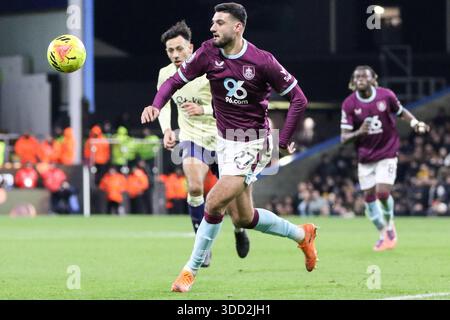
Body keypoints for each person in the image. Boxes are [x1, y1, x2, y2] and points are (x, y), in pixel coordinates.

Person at [141, 3, 318, 293]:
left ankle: (190, 270)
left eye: (220, 23)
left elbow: (299, 99)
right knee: (244, 218)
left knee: (212, 202)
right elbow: (173, 82)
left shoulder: (263, 61)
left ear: (238, 27)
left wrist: (283, 141)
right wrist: (155, 105)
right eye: (213, 22)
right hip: (224, 140)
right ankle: (302, 235)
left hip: (252, 142)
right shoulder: (208, 53)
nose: (213, 27)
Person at [155, 20, 251, 267]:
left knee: (237, 212)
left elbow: (233, 103)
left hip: (224, 139)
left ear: (191, 47)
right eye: (170, 51)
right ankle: (203, 245)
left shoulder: (211, 68)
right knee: (195, 186)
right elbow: (164, 104)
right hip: (192, 138)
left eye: (179, 49)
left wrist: (204, 108)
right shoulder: (165, 74)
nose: (175, 55)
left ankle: (239, 230)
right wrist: (166, 129)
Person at [340, 65, 430, 251]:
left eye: (364, 76)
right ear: (352, 81)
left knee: (382, 192)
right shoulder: (349, 104)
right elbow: (344, 138)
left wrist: (415, 123)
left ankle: (390, 225)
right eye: (356, 77)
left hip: (387, 153)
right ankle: (383, 233)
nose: (360, 80)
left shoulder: (386, 96)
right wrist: (359, 132)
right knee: (369, 197)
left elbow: (401, 111)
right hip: (365, 158)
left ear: (374, 79)